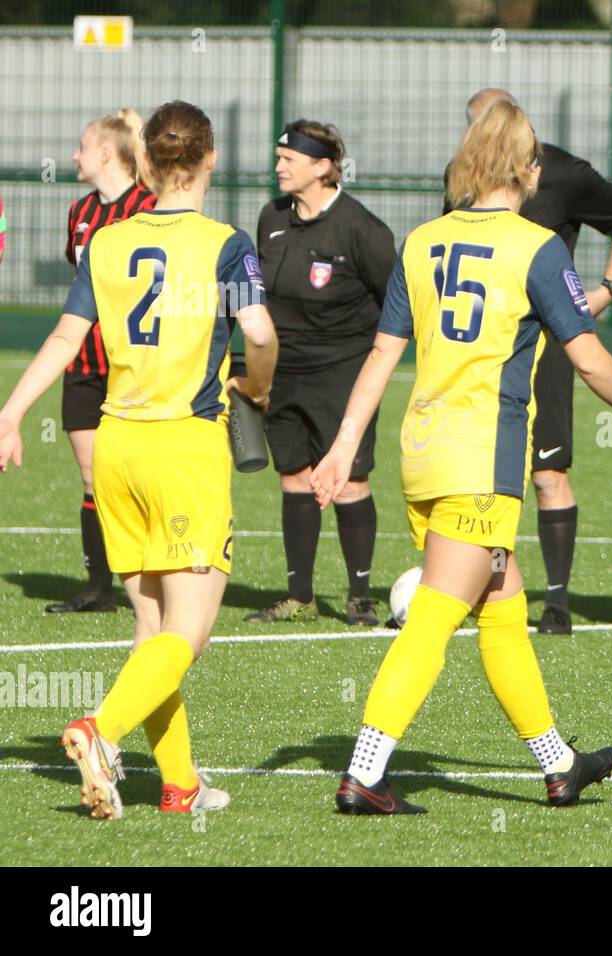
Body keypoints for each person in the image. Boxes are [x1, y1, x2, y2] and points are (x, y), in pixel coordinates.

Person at [311, 99, 612, 814]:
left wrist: (344, 445)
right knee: (436, 617)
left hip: (423, 456)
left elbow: (381, 354)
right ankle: (364, 772)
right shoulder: (536, 246)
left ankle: (559, 764)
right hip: (482, 465)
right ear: (529, 170)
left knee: (502, 605)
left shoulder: (423, 239)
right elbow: (586, 354)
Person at [0, 100, 278, 818]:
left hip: (116, 445)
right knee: (188, 636)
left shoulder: (107, 242)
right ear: (211, 159)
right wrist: (258, 384)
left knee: (154, 633)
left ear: (148, 164)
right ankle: (100, 730)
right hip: (183, 448)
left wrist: (10, 411)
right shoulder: (227, 243)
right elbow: (258, 328)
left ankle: (180, 786)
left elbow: (65, 340)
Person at [445, 89, 612, 635]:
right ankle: (486, 586)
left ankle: (556, 603)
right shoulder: (461, 179)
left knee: (547, 472)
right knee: (476, 473)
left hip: (544, 344)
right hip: (481, 351)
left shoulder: (564, 173)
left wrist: (606, 289)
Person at [244, 120, 396, 627]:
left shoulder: (363, 229)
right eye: (279, 156)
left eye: (289, 158)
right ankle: (299, 594)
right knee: (294, 479)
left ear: (325, 166)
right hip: (283, 372)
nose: (279, 166)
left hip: (342, 375)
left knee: (349, 480)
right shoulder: (271, 217)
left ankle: (359, 596)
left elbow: (394, 304)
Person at [49, 109, 157, 614]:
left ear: (108, 154)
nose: (74, 155)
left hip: (131, 367)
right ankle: (100, 587)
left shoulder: (149, 208)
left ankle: (156, 577)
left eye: (82, 146)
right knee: (93, 479)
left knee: (137, 477)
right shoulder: (79, 212)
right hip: (83, 366)